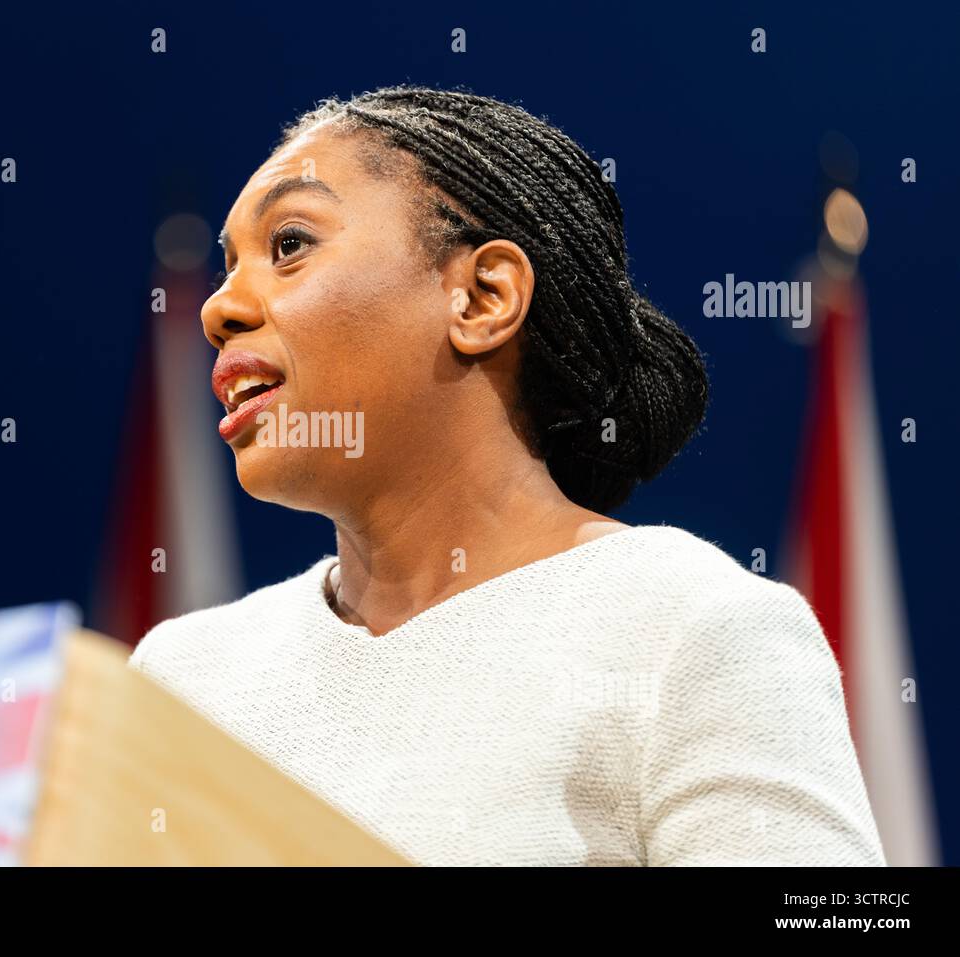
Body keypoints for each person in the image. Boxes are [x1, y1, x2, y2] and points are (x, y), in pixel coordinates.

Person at [128, 85, 885, 867]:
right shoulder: (181, 677)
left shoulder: (691, 626)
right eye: (227, 267)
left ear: (483, 297)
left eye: (288, 243)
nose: (219, 307)